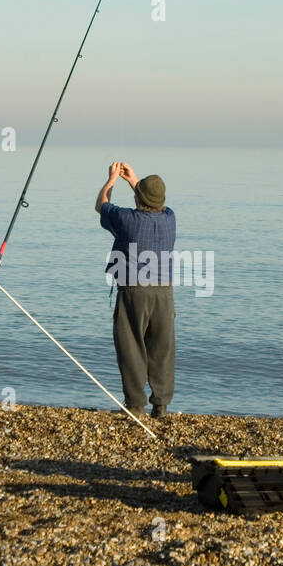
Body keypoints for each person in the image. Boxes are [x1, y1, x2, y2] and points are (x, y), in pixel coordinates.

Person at [94, 161, 175, 419]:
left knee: (131, 346)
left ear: (139, 198)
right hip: (164, 291)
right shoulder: (170, 218)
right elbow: (150, 203)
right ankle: (160, 406)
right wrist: (135, 182)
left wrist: (112, 179)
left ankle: (135, 405)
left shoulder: (126, 219)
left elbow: (101, 205)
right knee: (162, 349)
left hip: (133, 290)